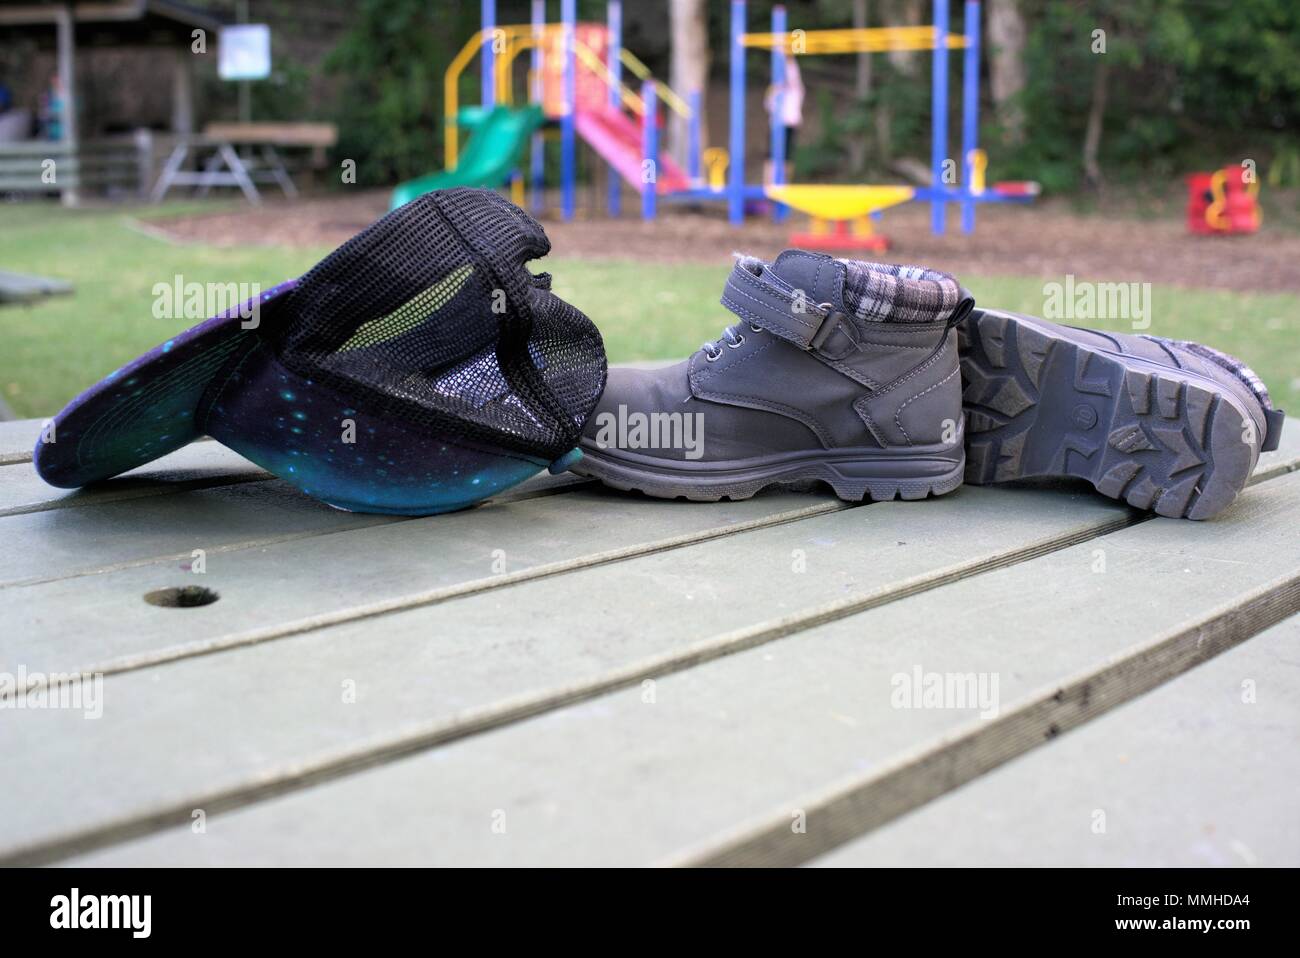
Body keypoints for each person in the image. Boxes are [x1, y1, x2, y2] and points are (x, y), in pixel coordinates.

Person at [764, 55, 803, 184]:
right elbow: (768, 105)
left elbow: (793, 74)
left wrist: (788, 60)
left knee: (785, 156)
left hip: (788, 123)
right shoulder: (776, 89)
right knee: (772, 156)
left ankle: (783, 184)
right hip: (776, 124)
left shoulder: (795, 88)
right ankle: (769, 186)